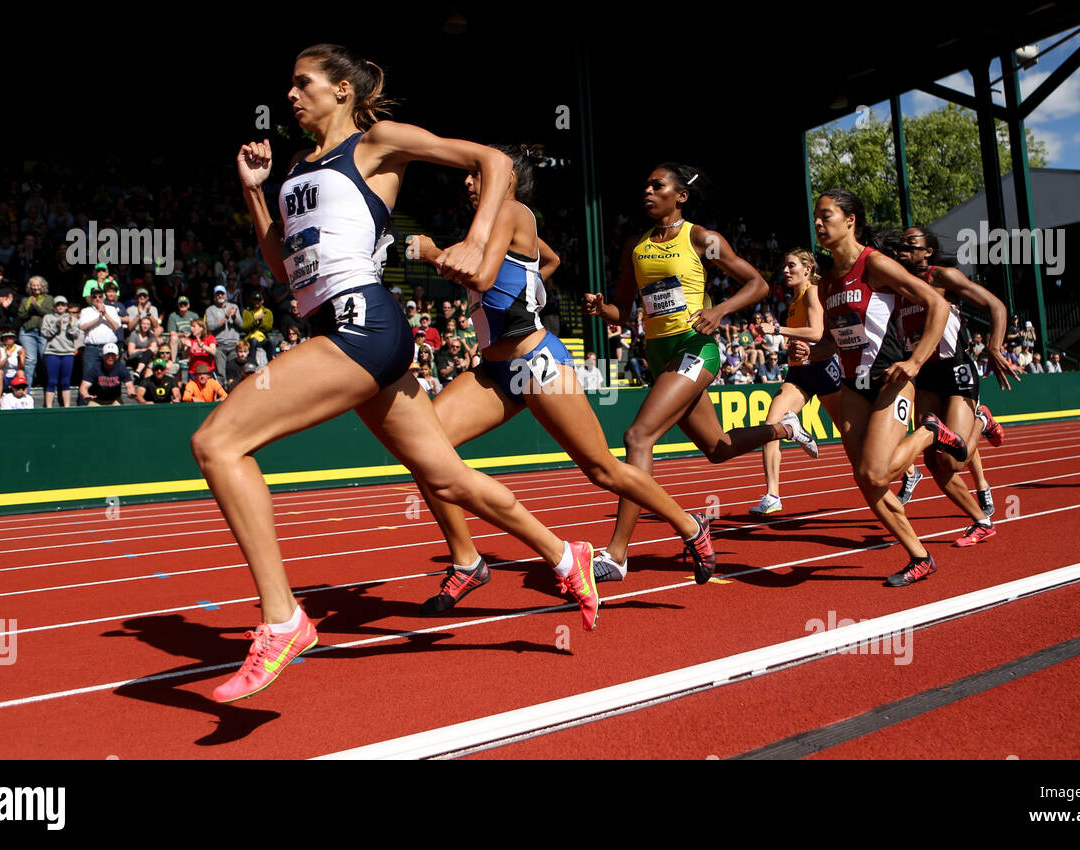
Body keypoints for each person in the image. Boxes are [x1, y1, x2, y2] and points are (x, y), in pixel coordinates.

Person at [191, 44, 602, 704]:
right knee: (445, 475)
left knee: (217, 442)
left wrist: (478, 241)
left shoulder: (376, 143)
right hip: (334, 329)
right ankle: (564, 555)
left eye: (303, 83)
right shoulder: (296, 167)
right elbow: (281, 264)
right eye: (289, 85)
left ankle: (282, 620)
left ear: (343, 91)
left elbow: (490, 161)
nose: (290, 95)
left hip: (364, 326)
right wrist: (254, 193)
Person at [406, 144, 714, 610]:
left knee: (602, 469)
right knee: (425, 451)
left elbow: (484, 279)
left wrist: (431, 255)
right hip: (493, 369)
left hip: (536, 363)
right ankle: (468, 562)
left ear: (504, 177)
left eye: (475, 174)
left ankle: (691, 526)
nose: (468, 183)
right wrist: (529, 281)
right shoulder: (495, 222)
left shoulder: (511, 211)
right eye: (466, 176)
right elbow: (544, 260)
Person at [582, 163, 783, 581]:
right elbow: (621, 311)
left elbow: (758, 284)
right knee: (718, 449)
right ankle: (783, 429)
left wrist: (719, 310)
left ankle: (618, 555)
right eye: (646, 185)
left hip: (697, 349)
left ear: (681, 196)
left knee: (638, 437)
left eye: (658, 186)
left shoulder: (701, 238)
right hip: (659, 355)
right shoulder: (634, 247)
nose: (648, 191)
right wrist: (602, 309)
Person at [813, 189, 967, 587]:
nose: (818, 223)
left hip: (889, 382)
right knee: (865, 479)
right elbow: (836, 339)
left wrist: (915, 362)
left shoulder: (874, 264)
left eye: (826, 215)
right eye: (815, 216)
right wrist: (811, 347)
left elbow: (939, 305)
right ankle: (920, 556)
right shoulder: (827, 282)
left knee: (876, 472)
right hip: (853, 385)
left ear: (850, 220)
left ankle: (931, 431)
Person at [885, 227, 1015, 547]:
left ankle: (981, 419)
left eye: (910, 245)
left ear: (927, 251)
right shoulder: (895, 284)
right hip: (924, 374)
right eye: (899, 245)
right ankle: (982, 521)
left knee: (954, 459)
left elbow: (996, 306)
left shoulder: (944, 277)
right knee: (933, 460)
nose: (902, 250)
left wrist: (995, 348)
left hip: (955, 368)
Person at [749, 249, 837, 516]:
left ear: (807, 269)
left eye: (791, 266)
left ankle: (909, 470)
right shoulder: (793, 300)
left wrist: (777, 329)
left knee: (855, 434)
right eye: (784, 267)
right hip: (799, 373)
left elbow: (816, 332)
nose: (785, 271)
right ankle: (772, 494)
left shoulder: (812, 292)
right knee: (770, 426)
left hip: (823, 368)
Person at [40, 295, 80, 407]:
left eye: (63, 304)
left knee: (66, 382)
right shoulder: (48, 317)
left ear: (66, 306)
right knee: (51, 381)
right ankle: (48, 407)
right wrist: (56, 327)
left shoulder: (73, 319)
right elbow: (45, 333)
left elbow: (75, 334)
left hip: (67, 352)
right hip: (52, 352)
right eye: (58, 304)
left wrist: (70, 325)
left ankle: (66, 406)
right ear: (54, 306)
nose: (61, 307)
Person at [16, 276, 53, 387]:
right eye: (33, 285)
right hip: (27, 332)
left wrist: (36, 307)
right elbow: (21, 315)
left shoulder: (49, 299)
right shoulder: (25, 300)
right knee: (30, 360)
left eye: (38, 285)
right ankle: (26, 389)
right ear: (30, 287)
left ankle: (48, 386)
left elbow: (48, 313)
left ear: (43, 286)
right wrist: (30, 310)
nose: (36, 287)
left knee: (45, 358)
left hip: (43, 332)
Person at [0, 329, 25, 405]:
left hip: (14, 375)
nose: (8, 339)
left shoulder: (20, 349)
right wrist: (6, 357)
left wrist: (19, 358)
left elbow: (21, 367)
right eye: (5, 338)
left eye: (11, 337)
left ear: (14, 338)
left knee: (21, 373)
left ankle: (23, 397)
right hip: (2, 375)